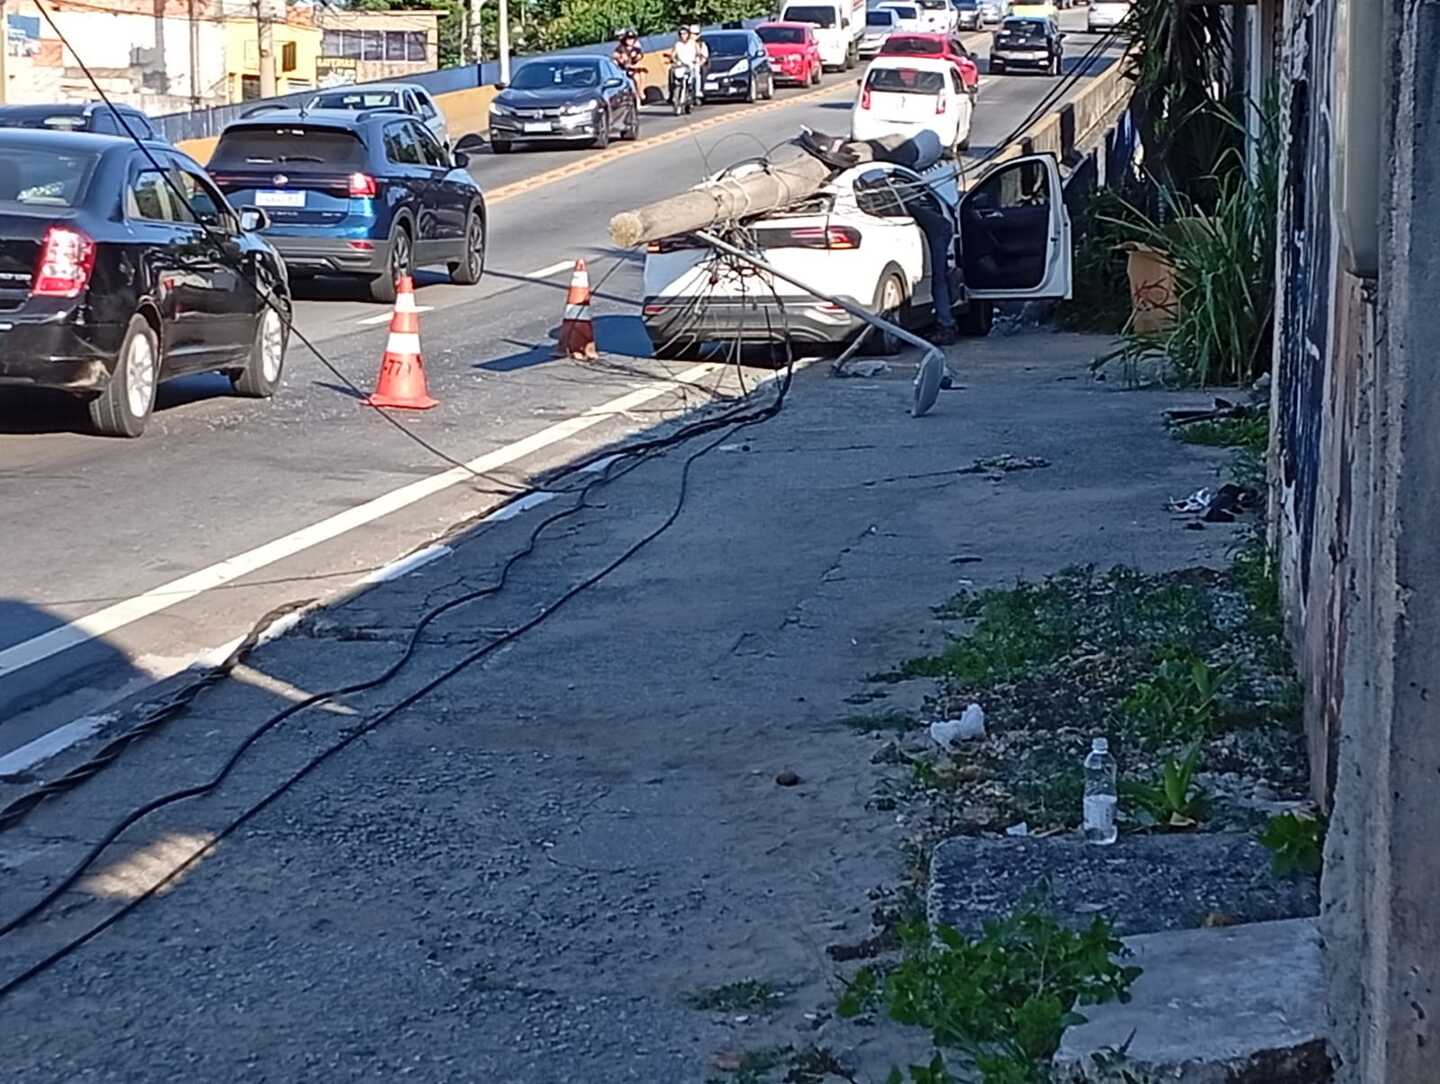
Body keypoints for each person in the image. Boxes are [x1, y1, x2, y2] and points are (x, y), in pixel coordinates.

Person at [669, 25, 703, 102]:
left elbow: (698, 52)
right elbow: (673, 55)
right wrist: (673, 60)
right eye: (681, 34)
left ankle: (697, 92)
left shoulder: (693, 43)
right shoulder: (677, 44)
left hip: (691, 64)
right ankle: (673, 94)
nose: (683, 36)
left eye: (684, 33)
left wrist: (697, 59)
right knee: (673, 74)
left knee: (697, 75)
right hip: (681, 65)